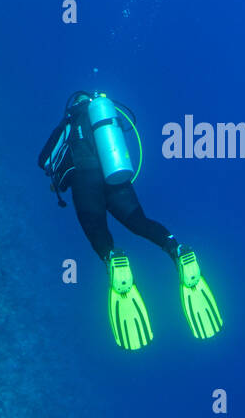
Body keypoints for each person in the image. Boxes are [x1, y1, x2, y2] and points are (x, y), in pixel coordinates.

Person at [38, 89, 222, 350]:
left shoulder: (69, 122)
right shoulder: (106, 120)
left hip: (85, 180)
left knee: (97, 231)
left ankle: (113, 259)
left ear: (73, 107)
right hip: (117, 177)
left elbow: (44, 159)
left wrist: (56, 177)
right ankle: (176, 249)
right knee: (140, 223)